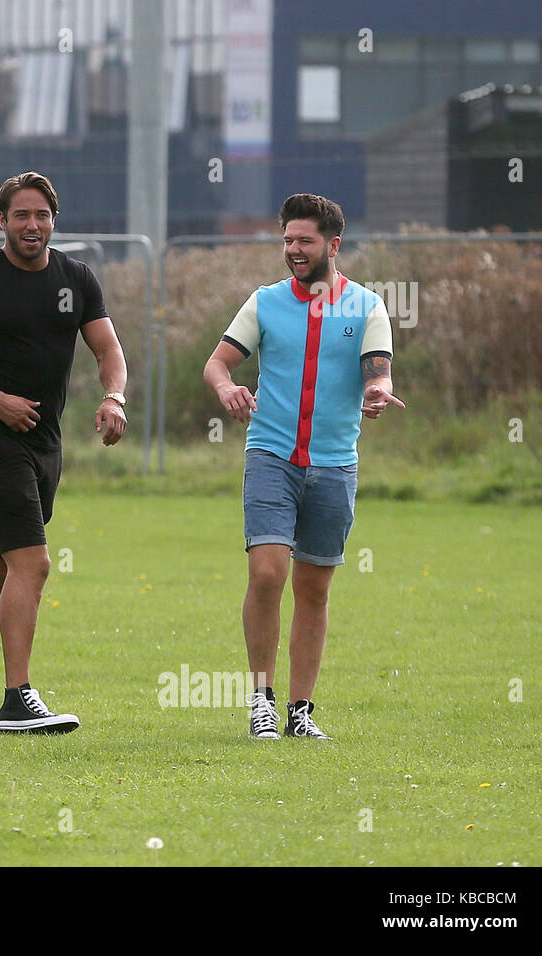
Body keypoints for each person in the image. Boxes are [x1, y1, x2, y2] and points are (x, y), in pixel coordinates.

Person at [0, 171, 128, 734]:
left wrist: (114, 397)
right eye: (21, 215)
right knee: (33, 564)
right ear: (2, 222)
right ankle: (17, 696)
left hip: (45, 443)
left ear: (53, 220)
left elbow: (108, 347)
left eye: (41, 215)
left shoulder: (77, 279)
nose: (32, 225)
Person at [202, 193, 404, 741]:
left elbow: (379, 370)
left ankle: (300, 711)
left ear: (332, 245)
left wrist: (379, 392)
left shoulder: (367, 306)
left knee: (314, 591)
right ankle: (262, 701)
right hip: (270, 456)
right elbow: (218, 363)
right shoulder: (265, 302)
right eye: (287, 239)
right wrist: (227, 388)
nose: (292, 249)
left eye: (304, 241)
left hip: (334, 466)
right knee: (267, 573)